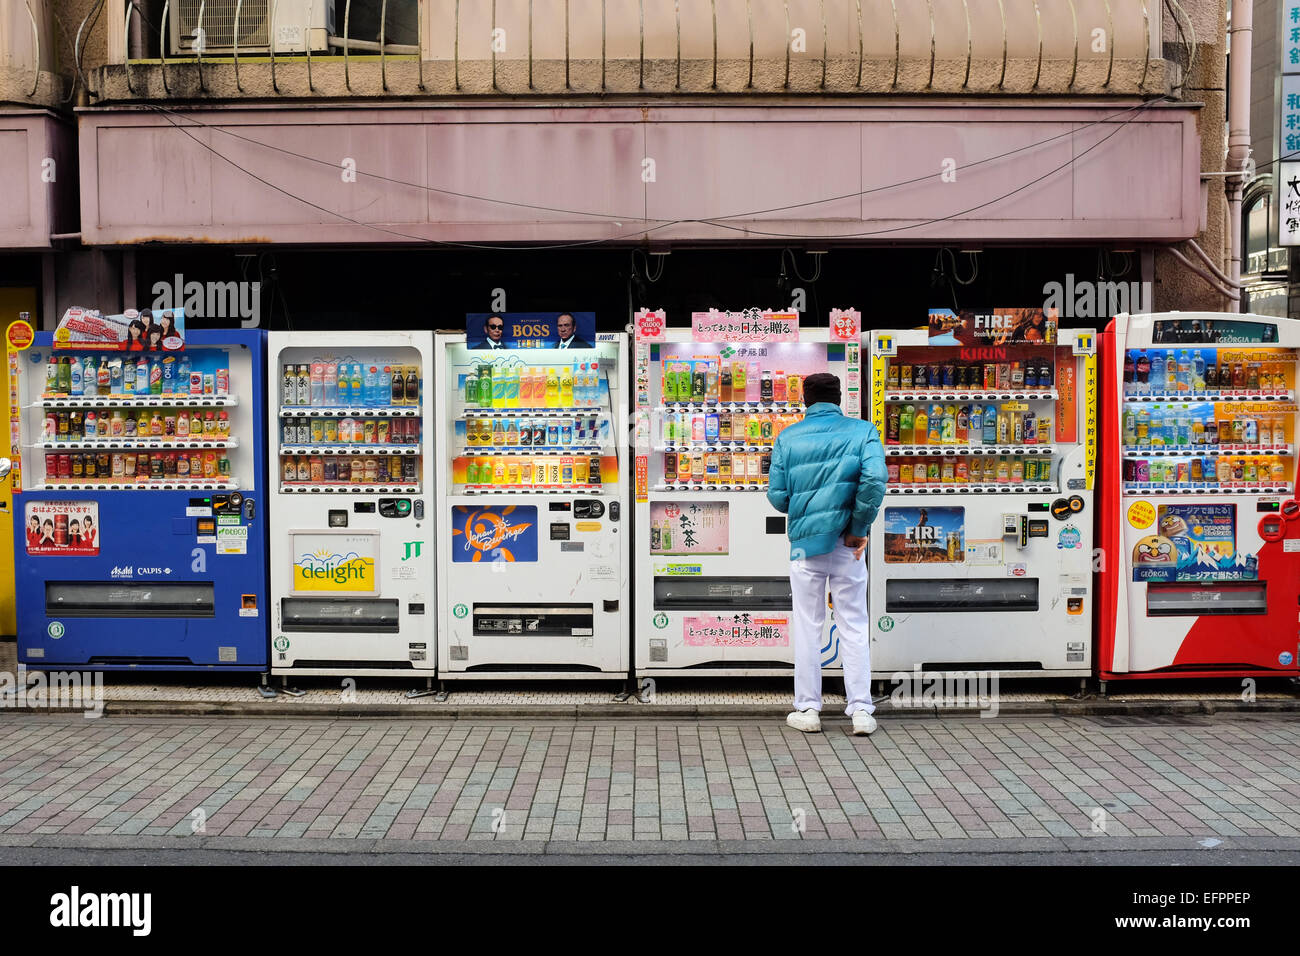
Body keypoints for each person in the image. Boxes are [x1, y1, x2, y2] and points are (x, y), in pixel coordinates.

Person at [766, 372, 887, 736]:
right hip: (848, 546)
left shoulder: (787, 437)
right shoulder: (863, 431)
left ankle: (808, 709)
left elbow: (778, 497)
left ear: (806, 400)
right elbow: (874, 481)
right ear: (838, 398)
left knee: (807, 624)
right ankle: (862, 710)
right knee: (853, 623)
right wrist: (857, 528)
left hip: (805, 543)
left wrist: (804, 507)